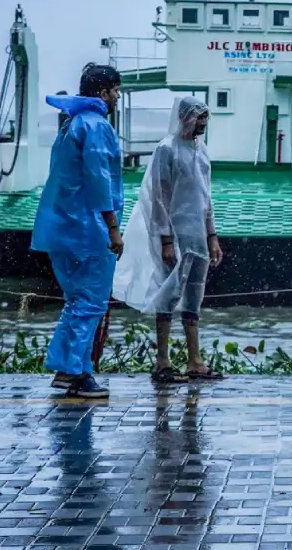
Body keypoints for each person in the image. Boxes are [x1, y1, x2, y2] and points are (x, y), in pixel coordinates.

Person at [113, 96, 224, 382]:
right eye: (199, 117)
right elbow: (159, 197)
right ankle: (162, 361)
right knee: (167, 294)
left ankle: (194, 361)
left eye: (205, 117)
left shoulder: (202, 151)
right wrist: (164, 239)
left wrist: (212, 235)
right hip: (173, 235)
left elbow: (206, 198)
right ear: (184, 117)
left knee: (194, 296)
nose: (203, 123)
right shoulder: (166, 150)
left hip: (197, 236)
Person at [34, 63, 125, 398]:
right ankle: (73, 371)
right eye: (115, 90)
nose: (117, 96)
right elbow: (100, 180)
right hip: (89, 229)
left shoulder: (71, 125)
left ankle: (73, 369)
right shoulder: (97, 126)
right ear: (102, 92)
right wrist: (113, 229)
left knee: (77, 301)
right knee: (91, 302)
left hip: (62, 227)